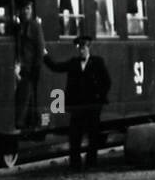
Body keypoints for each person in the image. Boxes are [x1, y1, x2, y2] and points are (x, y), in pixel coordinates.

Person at [44, 34, 112, 170]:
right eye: (80, 48)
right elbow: (56, 67)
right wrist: (44, 54)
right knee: (75, 137)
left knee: (93, 136)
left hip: (92, 105)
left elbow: (107, 81)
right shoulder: (73, 63)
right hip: (78, 106)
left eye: (84, 48)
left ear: (88, 48)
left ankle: (91, 163)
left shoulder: (98, 62)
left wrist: (99, 97)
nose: (81, 51)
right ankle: (75, 164)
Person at [13, 0, 47, 131]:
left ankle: (21, 122)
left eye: (28, 8)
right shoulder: (20, 26)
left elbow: (40, 47)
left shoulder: (34, 26)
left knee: (25, 94)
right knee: (26, 95)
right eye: (24, 8)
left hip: (29, 67)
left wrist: (36, 68)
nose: (26, 11)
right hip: (22, 66)